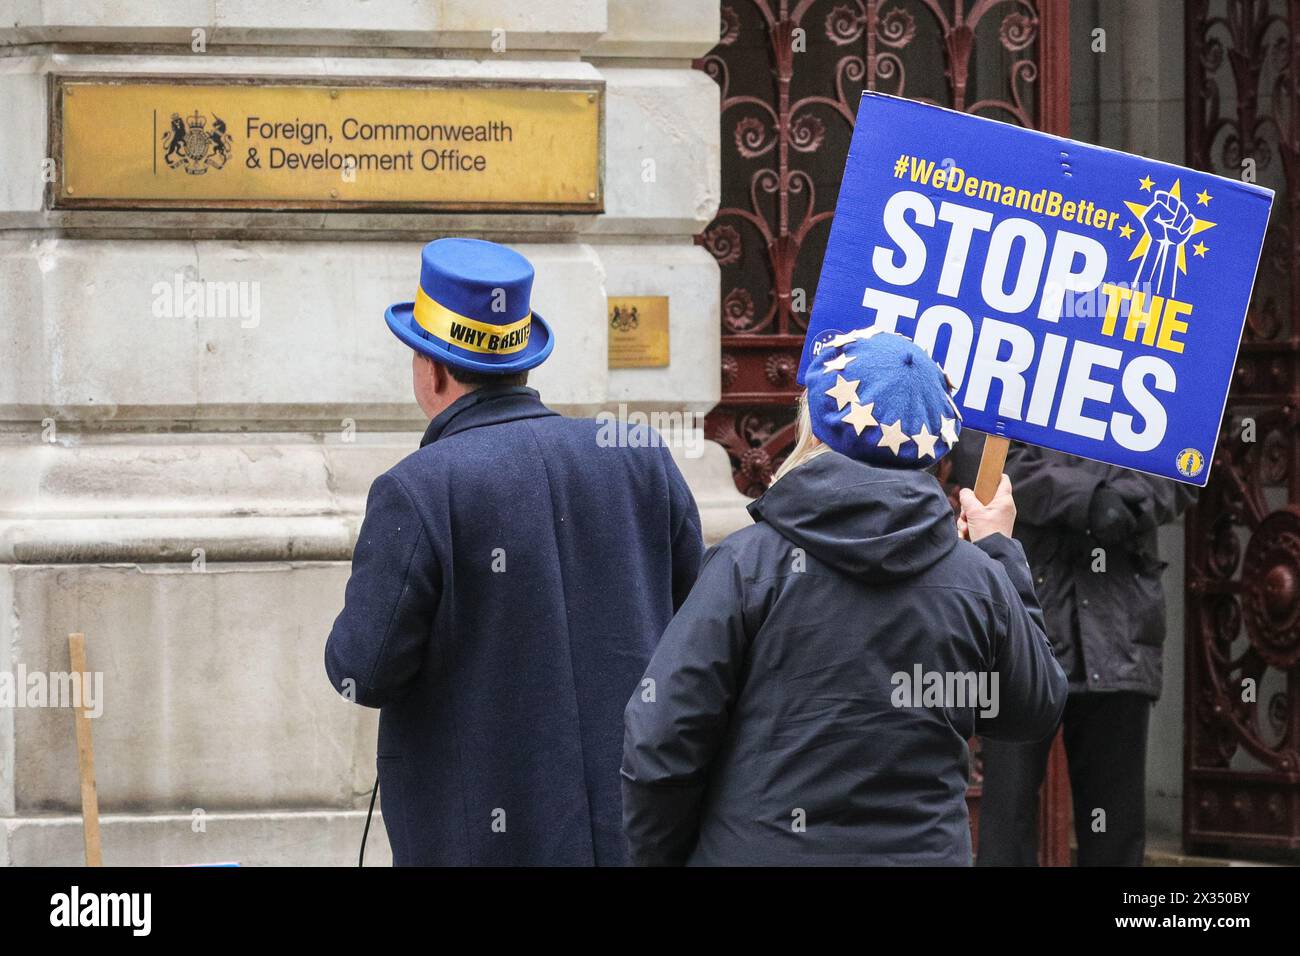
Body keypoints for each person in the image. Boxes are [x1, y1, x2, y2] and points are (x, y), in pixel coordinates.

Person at [621, 328, 1067, 866]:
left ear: (815, 430)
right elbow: (1032, 707)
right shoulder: (977, 578)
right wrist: (1000, 551)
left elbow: (662, 740)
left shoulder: (747, 565)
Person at [325, 237, 703, 866]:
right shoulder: (638, 455)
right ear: (523, 360)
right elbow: (700, 636)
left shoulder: (417, 490)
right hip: (638, 831)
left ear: (434, 369)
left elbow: (360, 671)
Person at [949, 435, 1196, 867]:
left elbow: (1186, 463)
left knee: (1114, 833)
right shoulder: (1013, 371)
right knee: (1006, 825)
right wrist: (1090, 499)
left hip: (1119, 625)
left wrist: (1125, 500)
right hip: (1026, 625)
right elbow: (984, 462)